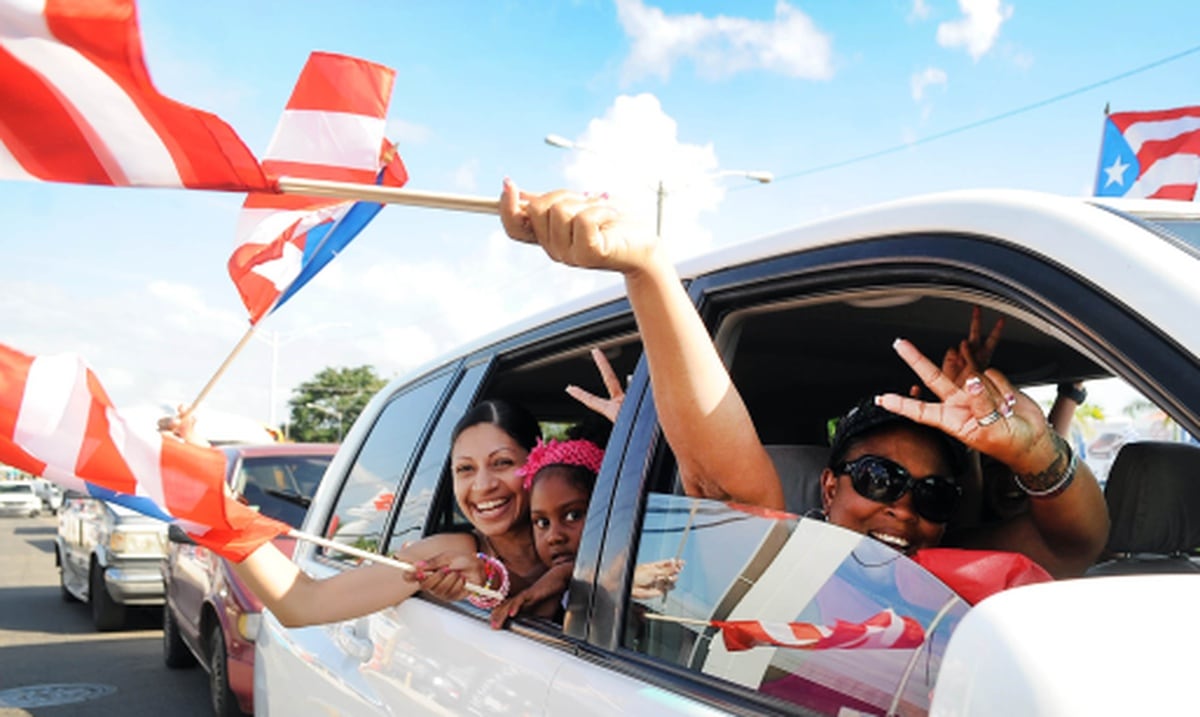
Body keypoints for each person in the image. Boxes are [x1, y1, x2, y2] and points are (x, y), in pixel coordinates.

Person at [498, 179, 1110, 578]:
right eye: (878, 478)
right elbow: (720, 491)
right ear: (827, 487)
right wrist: (648, 271)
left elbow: (1071, 547)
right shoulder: (783, 558)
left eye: (932, 495)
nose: (902, 507)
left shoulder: (946, 567)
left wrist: (1040, 457)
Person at [165, 399, 547, 627]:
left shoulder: (593, 535)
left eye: (502, 463)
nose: (482, 486)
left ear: (540, 461)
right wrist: (214, 498)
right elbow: (302, 603)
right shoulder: (445, 556)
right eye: (465, 469)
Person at [488, 435, 604, 628]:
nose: (554, 537)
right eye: (542, 522)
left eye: (573, 515)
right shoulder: (539, 596)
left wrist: (565, 573)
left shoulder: (634, 576)